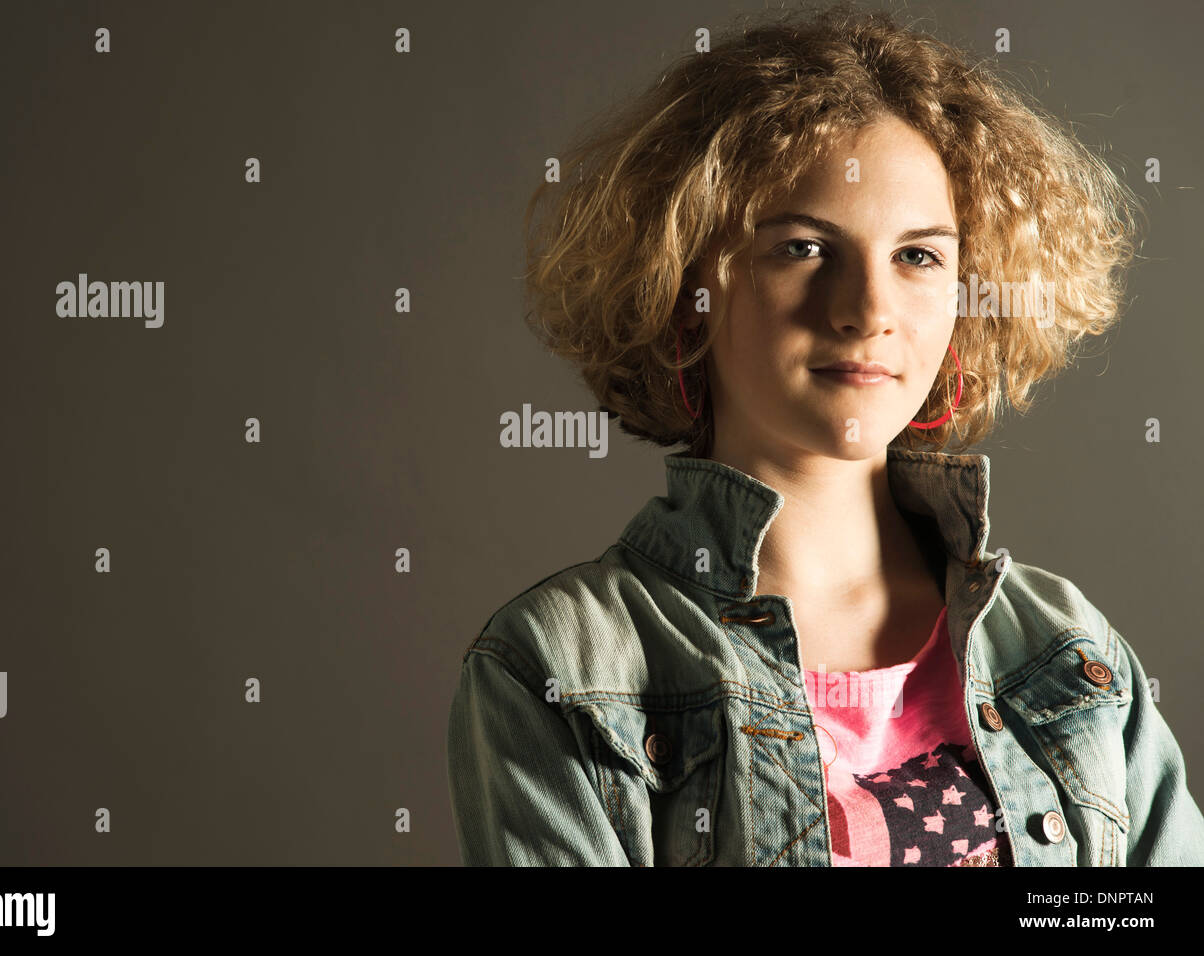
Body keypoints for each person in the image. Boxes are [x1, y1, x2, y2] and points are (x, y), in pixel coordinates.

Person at [446, 2, 1204, 866]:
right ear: (683, 286)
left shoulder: (1067, 651)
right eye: (804, 248)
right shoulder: (562, 669)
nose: (868, 311)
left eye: (919, 256)